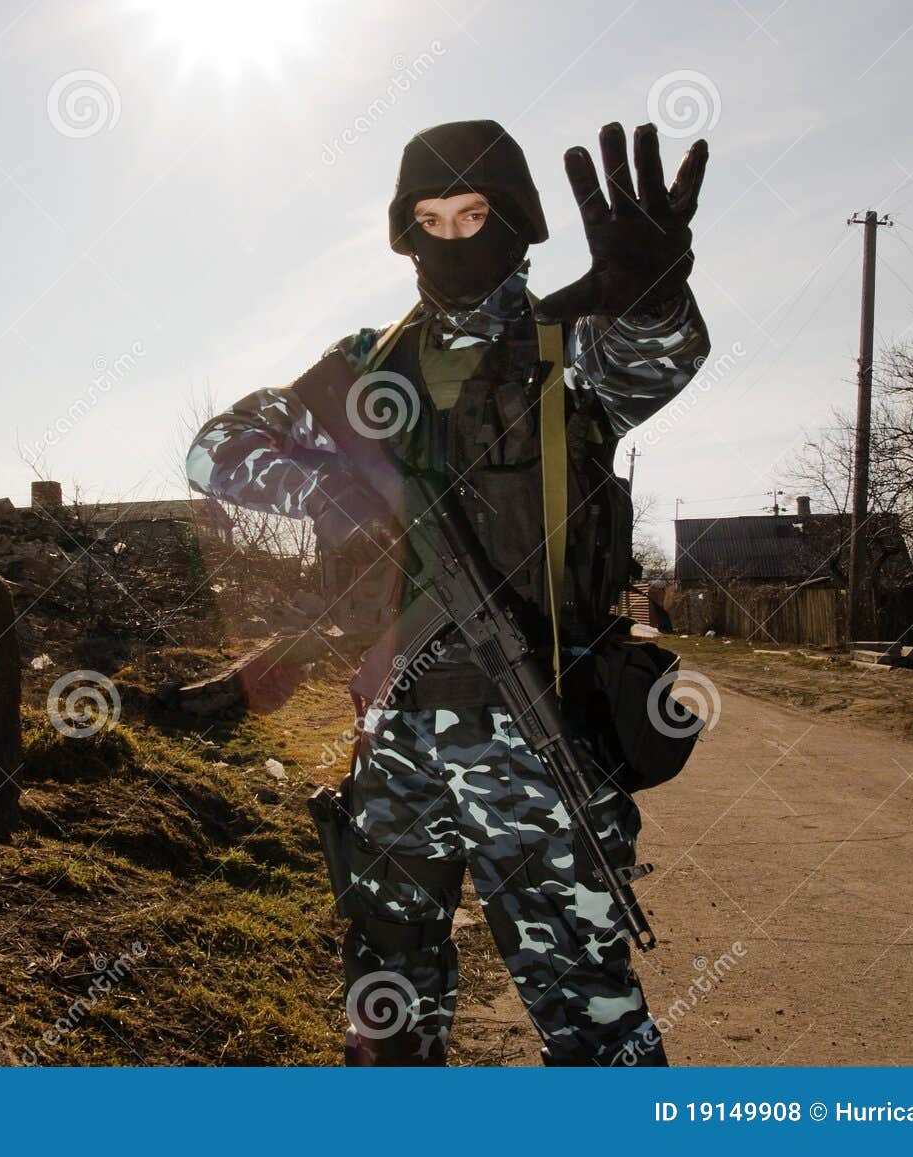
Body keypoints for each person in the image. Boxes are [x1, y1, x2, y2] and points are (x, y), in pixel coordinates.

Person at [186, 119, 710, 1066]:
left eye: (475, 215)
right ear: (403, 231)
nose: (452, 239)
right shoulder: (360, 368)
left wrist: (661, 295)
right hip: (392, 739)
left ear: (515, 224)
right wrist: (320, 486)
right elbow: (211, 448)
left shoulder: (572, 348)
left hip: (537, 736)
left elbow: (660, 355)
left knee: (594, 1022)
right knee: (388, 1010)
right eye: (429, 218)